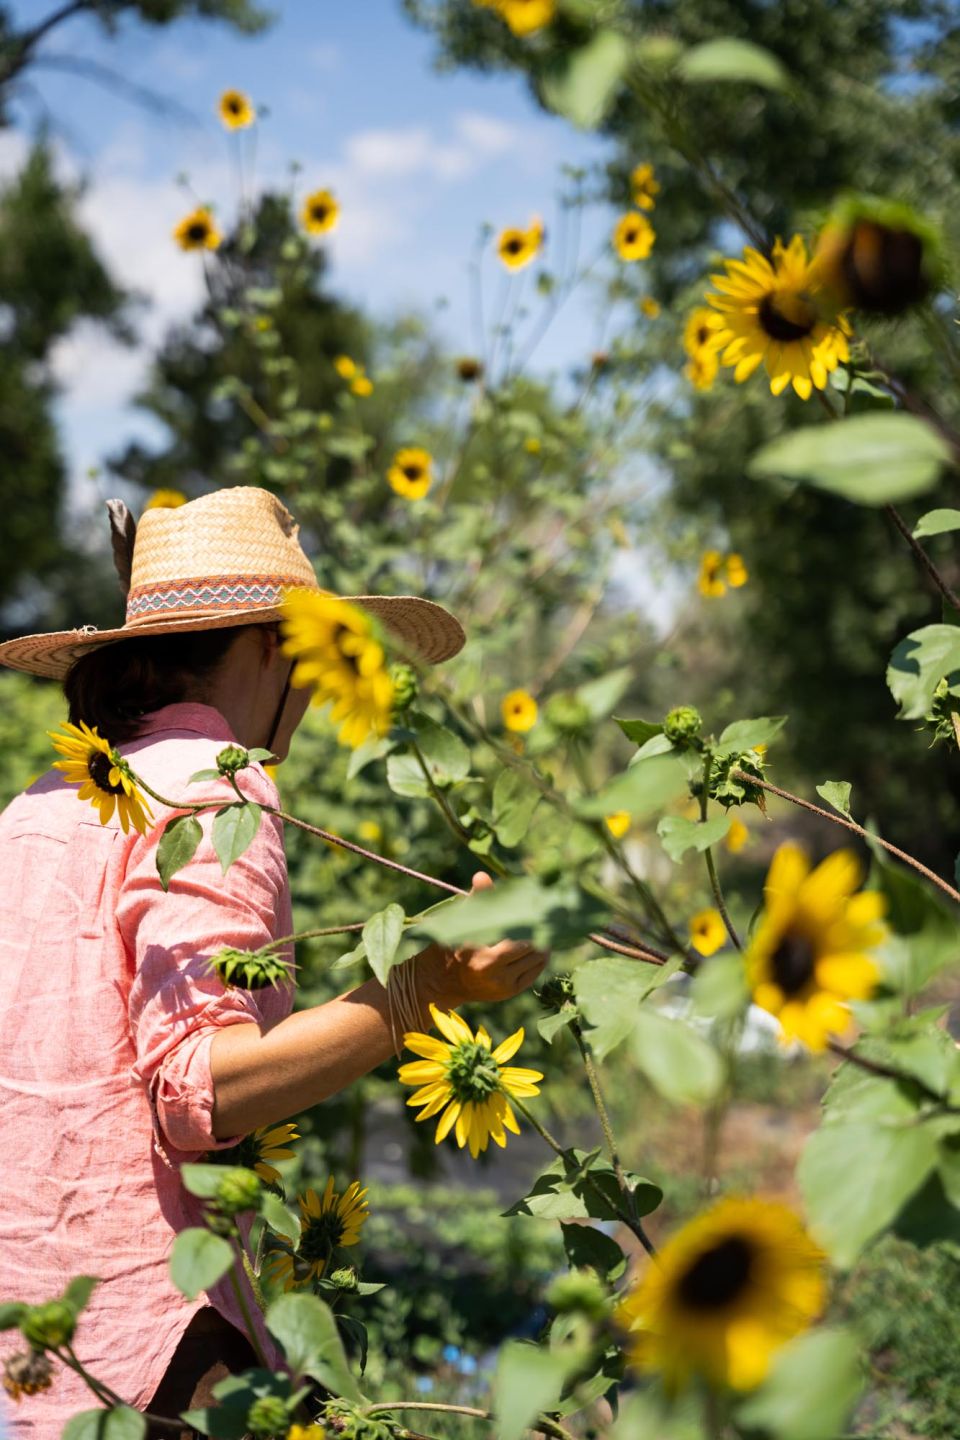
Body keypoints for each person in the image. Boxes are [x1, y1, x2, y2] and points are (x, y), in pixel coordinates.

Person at [0, 487, 547, 1436]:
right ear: (267, 646)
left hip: (31, 1334)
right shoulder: (217, 789)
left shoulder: (40, 805)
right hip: (156, 1341)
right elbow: (199, 1089)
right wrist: (426, 987)